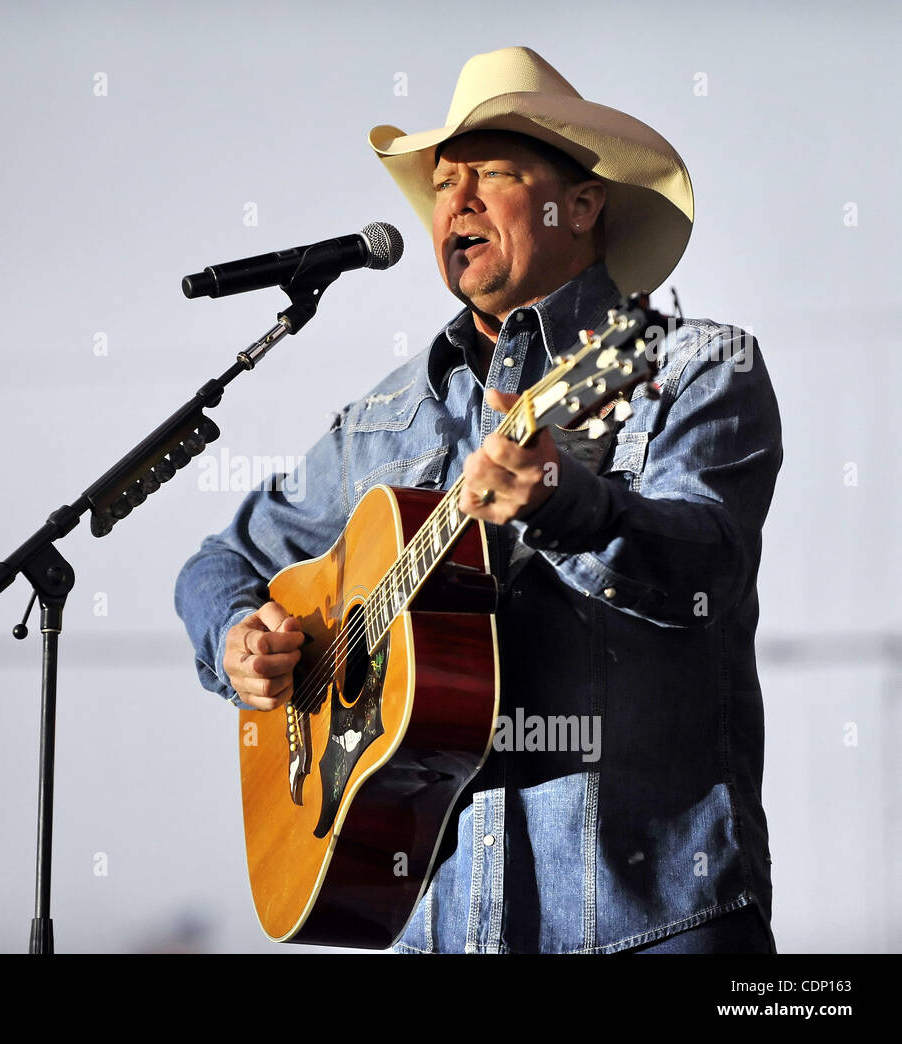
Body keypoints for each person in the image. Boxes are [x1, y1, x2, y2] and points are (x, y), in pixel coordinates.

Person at [173, 46, 782, 954]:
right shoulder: (388, 418)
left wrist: (567, 502)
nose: (453, 199)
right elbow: (219, 562)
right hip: (439, 928)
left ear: (583, 205)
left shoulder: (687, 366)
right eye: (442, 181)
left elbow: (707, 569)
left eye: (492, 173)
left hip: (651, 918)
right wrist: (237, 638)